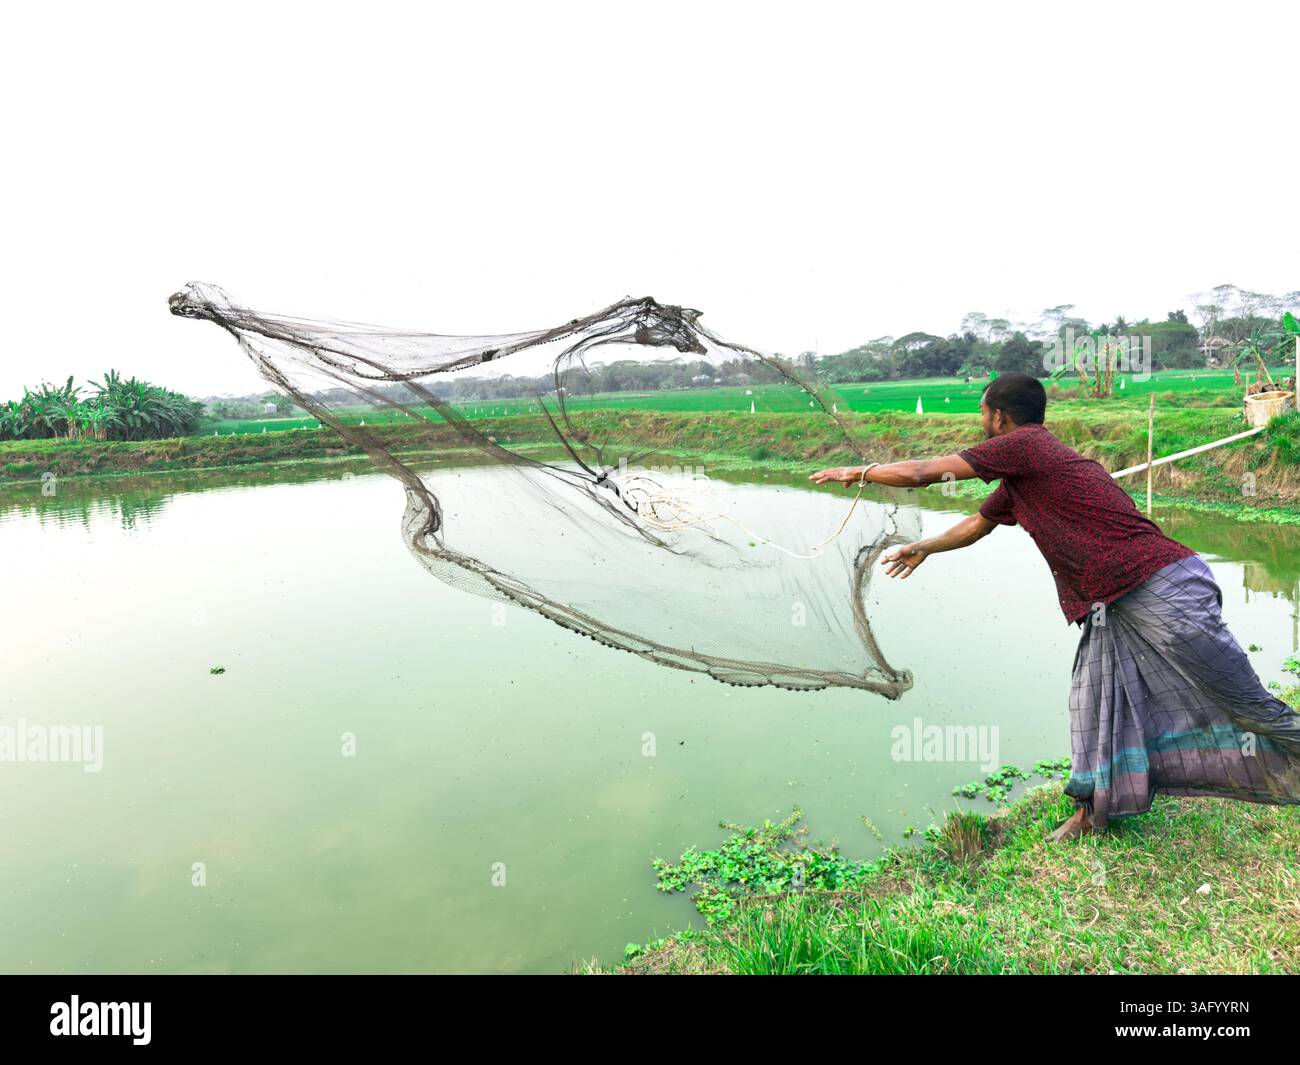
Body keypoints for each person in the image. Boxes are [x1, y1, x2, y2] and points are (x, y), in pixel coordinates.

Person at [810, 372, 1300, 841]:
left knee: (1243, 702)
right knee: (1094, 703)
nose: (980, 422)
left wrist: (861, 471)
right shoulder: (1024, 475)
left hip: (1161, 584)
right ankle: (1091, 810)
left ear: (999, 418)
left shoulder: (1026, 445)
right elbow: (978, 524)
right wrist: (925, 548)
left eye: (983, 412)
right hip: (1113, 604)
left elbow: (923, 473)